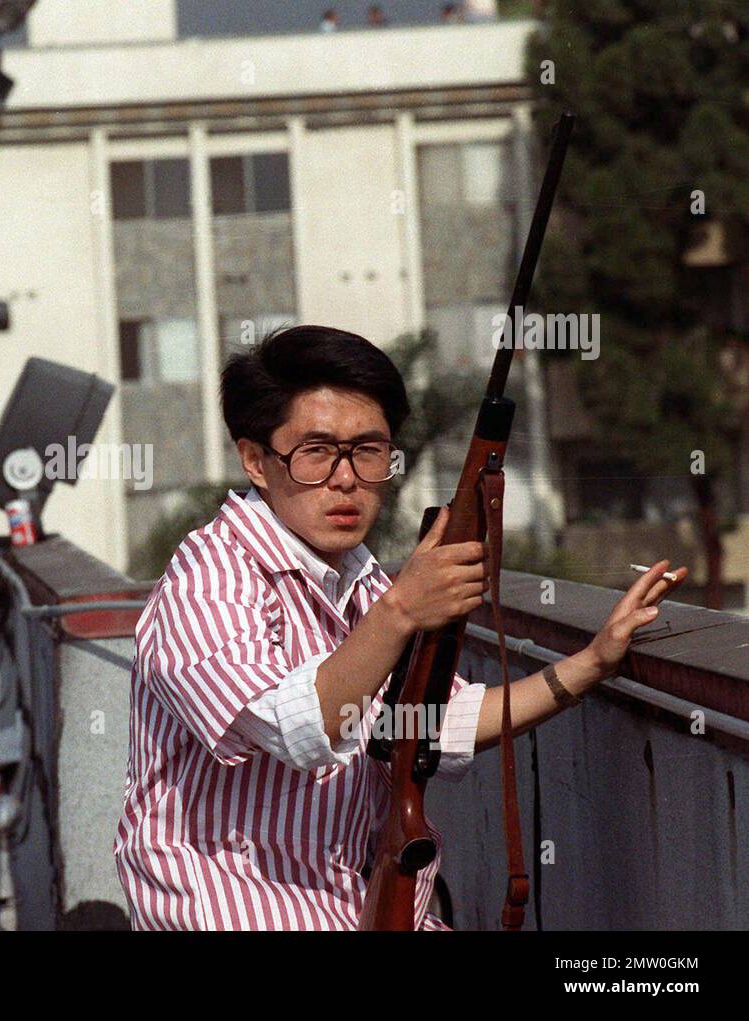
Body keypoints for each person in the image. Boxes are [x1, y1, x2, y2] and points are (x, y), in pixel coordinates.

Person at [113, 326, 686, 930]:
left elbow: (442, 719)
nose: (345, 479)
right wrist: (404, 611)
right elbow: (292, 725)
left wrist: (593, 661)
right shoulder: (205, 580)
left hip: (343, 902)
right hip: (226, 904)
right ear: (255, 460)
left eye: (368, 451)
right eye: (315, 451)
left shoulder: (360, 582)